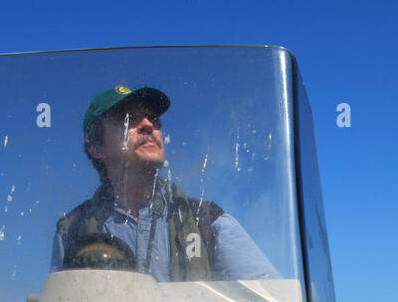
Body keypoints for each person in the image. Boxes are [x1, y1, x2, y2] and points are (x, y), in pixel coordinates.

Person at [51, 83, 275, 281]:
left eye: (154, 119)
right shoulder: (71, 230)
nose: (149, 125)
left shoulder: (207, 220)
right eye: (129, 119)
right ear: (97, 147)